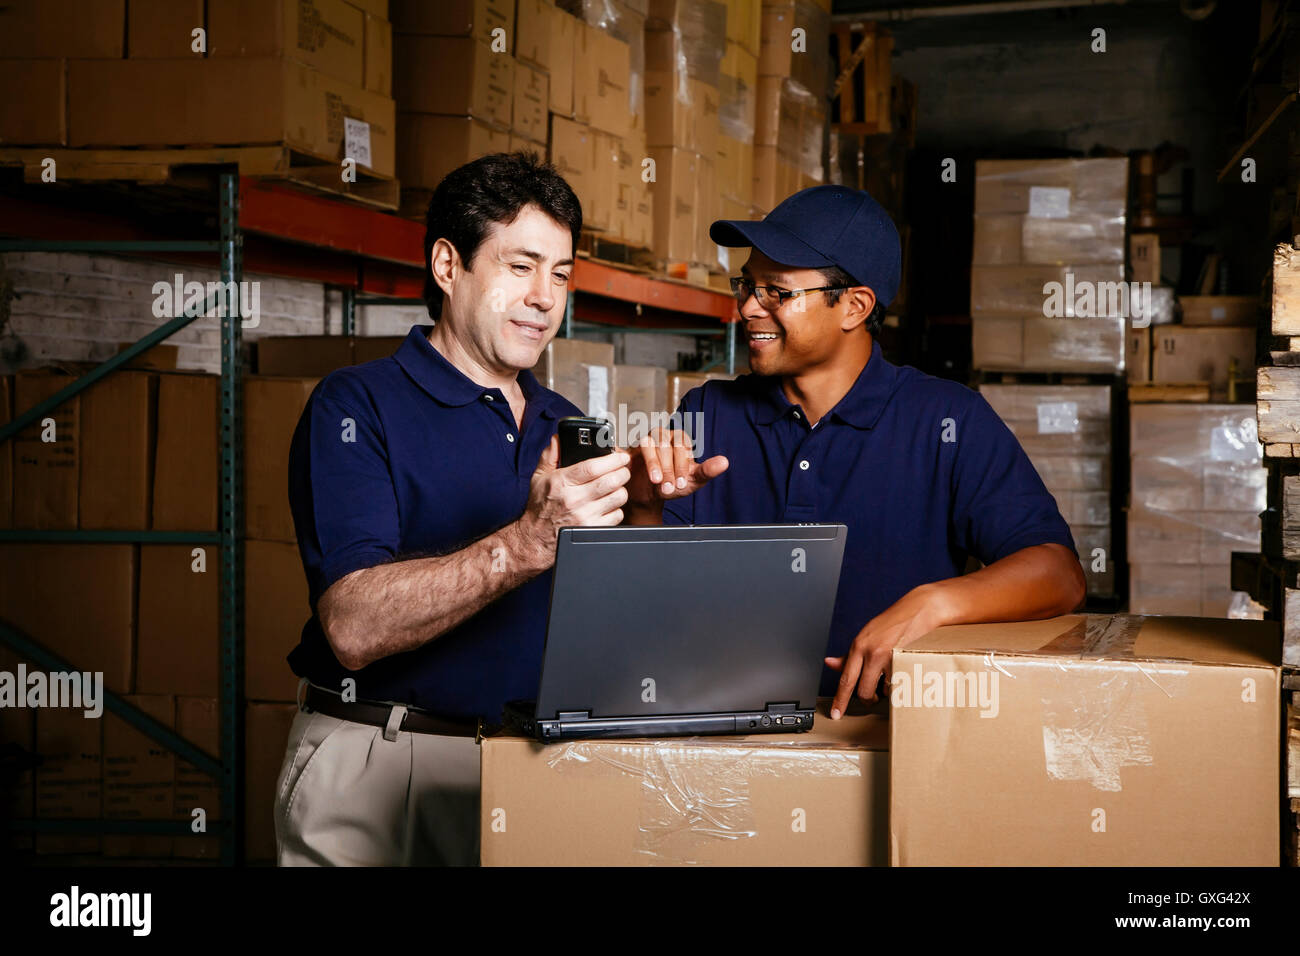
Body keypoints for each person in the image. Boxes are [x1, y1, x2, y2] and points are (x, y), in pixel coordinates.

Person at [273, 152, 632, 866]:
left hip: (527, 764)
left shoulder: (568, 424)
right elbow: (350, 624)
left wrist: (648, 517)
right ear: (447, 265)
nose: (544, 297)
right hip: (382, 760)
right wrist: (527, 543)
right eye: (521, 266)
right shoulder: (357, 405)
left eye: (561, 275)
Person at [624, 185, 1086, 720]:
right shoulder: (711, 410)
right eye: (747, 285)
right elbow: (648, 592)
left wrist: (931, 606)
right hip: (718, 728)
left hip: (881, 742)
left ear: (854, 306)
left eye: (777, 292)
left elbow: (1060, 575)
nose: (748, 308)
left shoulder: (947, 421)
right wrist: (641, 506)